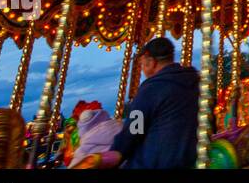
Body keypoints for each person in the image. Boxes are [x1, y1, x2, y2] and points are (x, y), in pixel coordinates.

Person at [77, 37, 199, 168]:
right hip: (190, 158)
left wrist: (118, 150)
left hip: (157, 162)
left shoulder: (151, 88)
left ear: (151, 61)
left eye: (141, 64)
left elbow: (134, 130)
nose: (142, 70)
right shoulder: (193, 82)